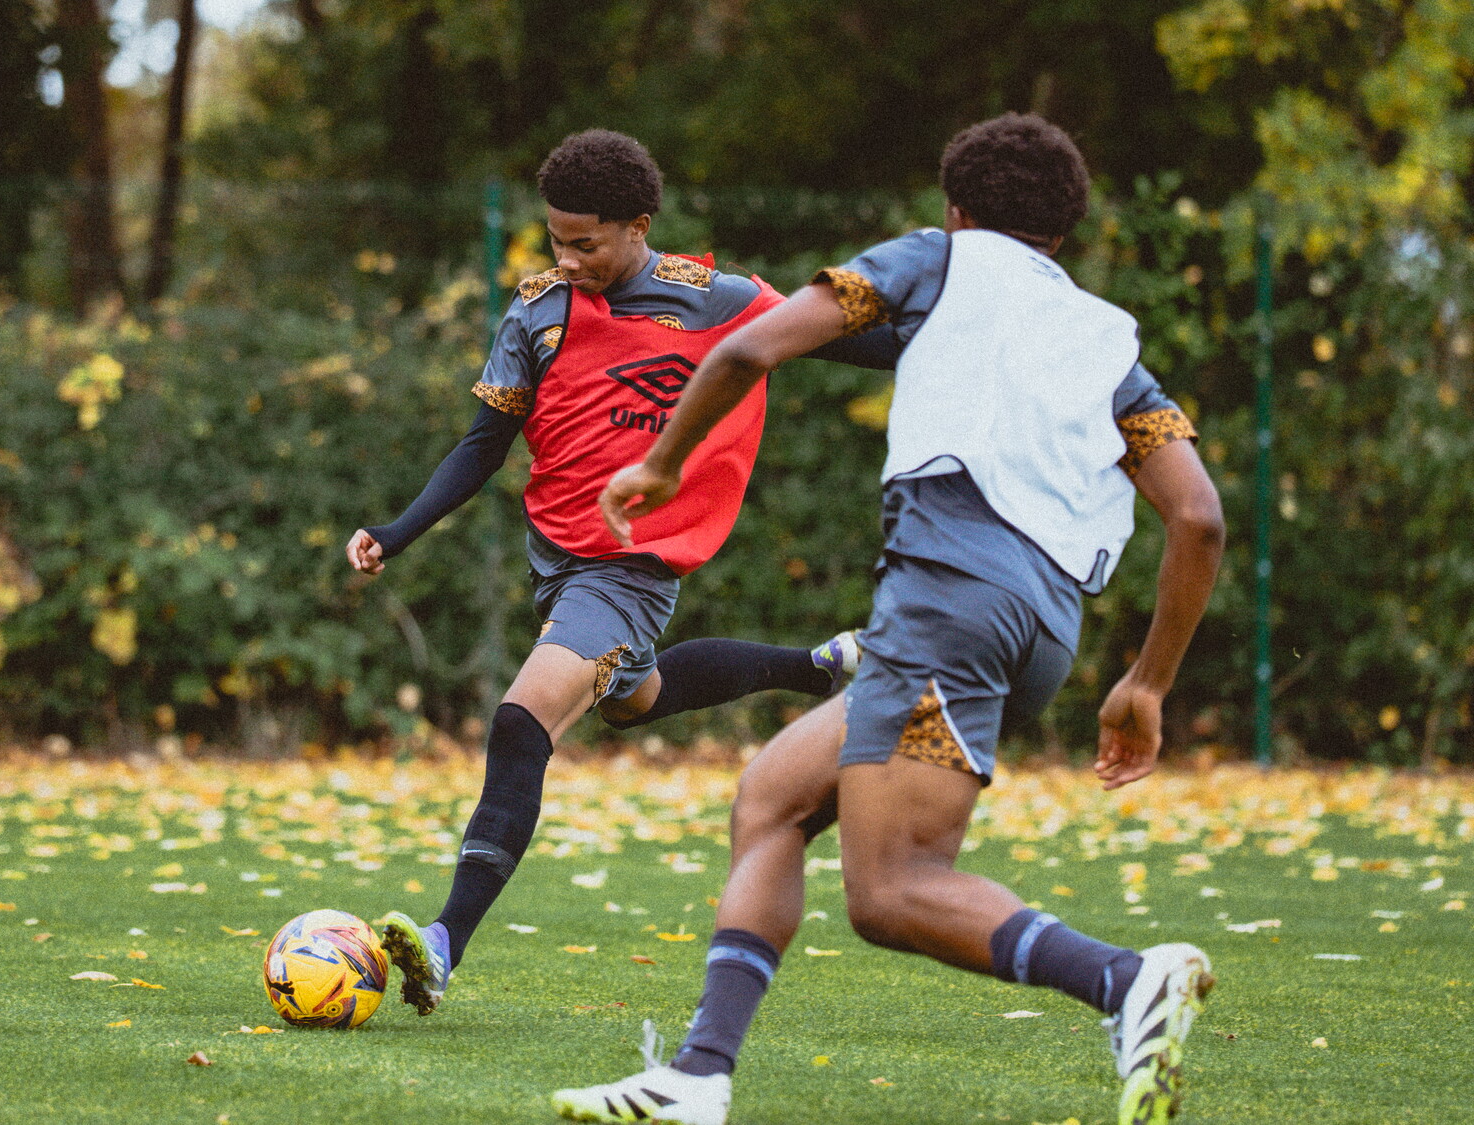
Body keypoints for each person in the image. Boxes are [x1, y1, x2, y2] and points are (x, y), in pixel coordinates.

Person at [553, 113, 1224, 1125]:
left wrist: (658, 463)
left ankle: (1125, 981)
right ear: (1062, 231)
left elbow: (747, 348)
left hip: (947, 603)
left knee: (891, 889)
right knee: (772, 798)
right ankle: (696, 1077)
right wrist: (1146, 683)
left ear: (953, 208)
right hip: (1035, 630)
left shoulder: (932, 259)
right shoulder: (1101, 343)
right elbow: (1197, 517)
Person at [347, 130, 859, 1017]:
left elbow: (840, 333)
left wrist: (949, 347)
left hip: (629, 563)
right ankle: (814, 667)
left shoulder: (718, 301)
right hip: (560, 558)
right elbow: (484, 444)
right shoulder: (537, 310)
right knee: (634, 698)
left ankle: (442, 941)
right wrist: (397, 530)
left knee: (521, 719)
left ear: (638, 226)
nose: (568, 258)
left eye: (587, 242)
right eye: (556, 240)